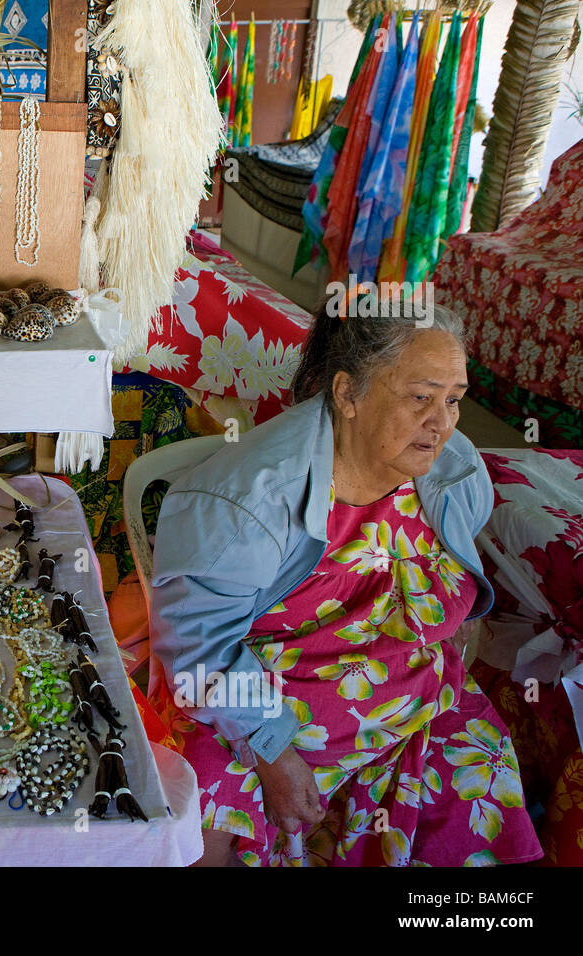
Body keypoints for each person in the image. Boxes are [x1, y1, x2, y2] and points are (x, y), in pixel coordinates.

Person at [150, 298, 542, 866]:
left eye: (454, 400)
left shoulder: (452, 470)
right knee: (203, 820)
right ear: (347, 394)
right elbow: (196, 648)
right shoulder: (246, 498)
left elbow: (448, 589)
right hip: (264, 710)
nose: (443, 423)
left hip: (414, 703)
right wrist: (274, 752)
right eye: (420, 398)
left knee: (477, 787)